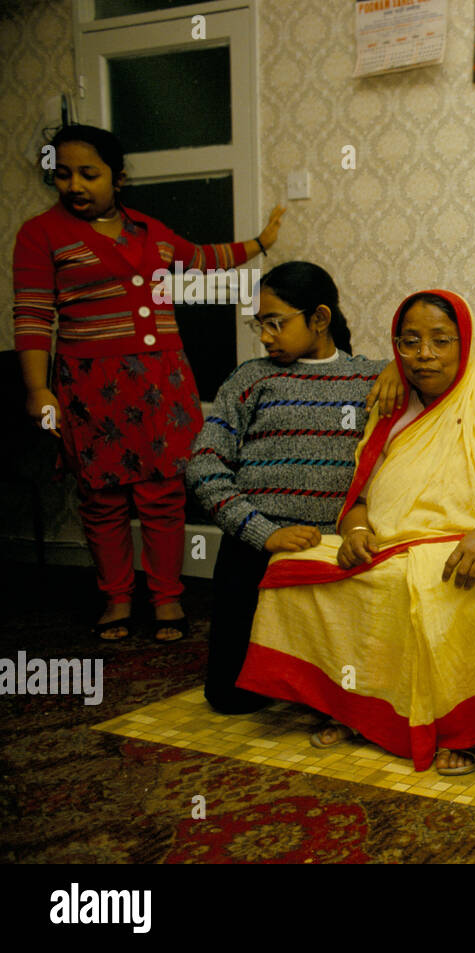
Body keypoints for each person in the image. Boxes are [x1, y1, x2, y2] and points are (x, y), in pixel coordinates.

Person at [236, 289, 475, 775]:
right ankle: (356, 709)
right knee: (292, 566)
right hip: (392, 547)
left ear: (466, 342)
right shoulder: (390, 406)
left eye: (440, 340)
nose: (424, 354)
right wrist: (354, 532)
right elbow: (362, 501)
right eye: (410, 342)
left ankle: (463, 728)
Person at [12, 123, 285, 642]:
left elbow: (202, 258)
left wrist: (260, 243)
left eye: (89, 174)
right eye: (63, 175)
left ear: (118, 177)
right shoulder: (39, 233)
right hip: (90, 386)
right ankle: (115, 596)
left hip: (162, 381)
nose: (75, 185)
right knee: (103, 497)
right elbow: (30, 313)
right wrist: (37, 389)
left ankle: (166, 597)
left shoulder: (149, 230)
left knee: (163, 494)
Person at [188, 261, 401, 714]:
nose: (264, 336)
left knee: (330, 696)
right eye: (259, 323)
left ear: (319, 319)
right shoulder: (250, 379)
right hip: (255, 545)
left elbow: (443, 374)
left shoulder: (371, 379)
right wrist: (263, 532)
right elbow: (204, 465)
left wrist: (400, 369)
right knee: (231, 700)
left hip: (333, 543)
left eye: (275, 322)